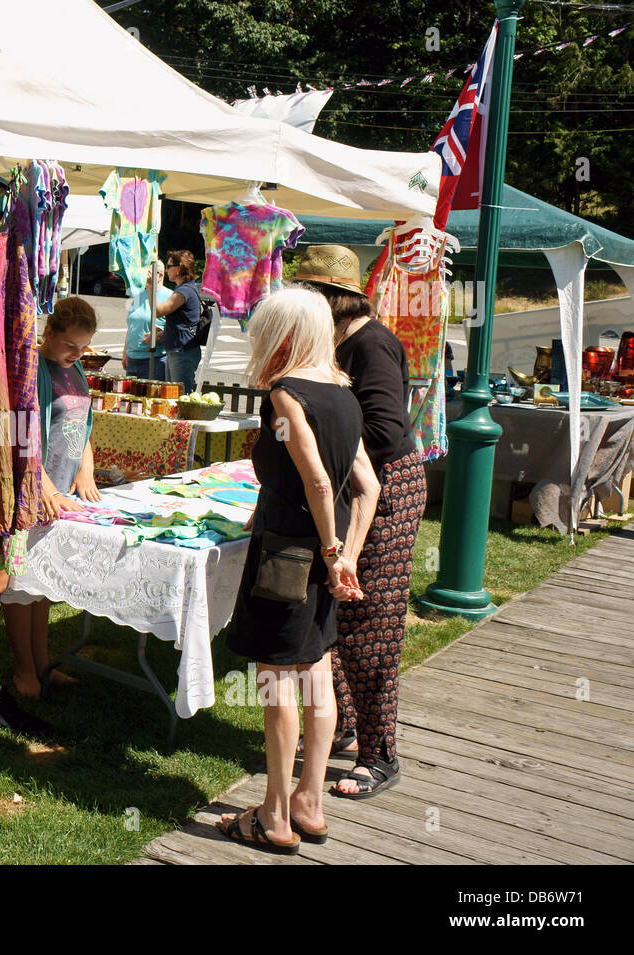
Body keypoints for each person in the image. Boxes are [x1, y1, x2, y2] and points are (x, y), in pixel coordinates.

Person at [216, 287, 380, 853]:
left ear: (283, 333)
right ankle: (309, 802)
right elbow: (367, 485)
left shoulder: (286, 396)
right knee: (316, 673)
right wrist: (347, 554)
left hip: (288, 556)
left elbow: (313, 478)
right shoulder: (343, 392)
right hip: (325, 560)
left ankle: (274, 814)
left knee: (278, 679)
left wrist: (336, 552)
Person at [296, 245, 427, 798]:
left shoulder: (371, 344)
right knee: (337, 614)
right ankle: (344, 726)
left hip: (387, 494)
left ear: (333, 298)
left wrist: (320, 443)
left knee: (371, 626)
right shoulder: (344, 341)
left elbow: (386, 431)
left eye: (309, 294)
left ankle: (380, 755)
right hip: (358, 489)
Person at [3, 297, 100, 698]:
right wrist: (41, 484)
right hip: (34, 491)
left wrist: (86, 468)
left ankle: (44, 664)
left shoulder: (73, 367)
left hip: (59, 492)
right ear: (49, 334)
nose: (77, 354)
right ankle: (24, 669)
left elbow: (84, 422)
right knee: (20, 586)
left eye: (83, 348)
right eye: (70, 345)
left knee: (42, 585)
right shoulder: (32, 370)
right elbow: (21, 433)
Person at [156, 250, 214, 390]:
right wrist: (164, 334)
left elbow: (158, 311)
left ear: (179, 268)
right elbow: (182, 321)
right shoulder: (184, 289)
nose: (167, 270)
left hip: (182, 352)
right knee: (173, 396)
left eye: (169, 266)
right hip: (179, 351)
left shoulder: (184, 291)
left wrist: (152, 286)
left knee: (179, 397)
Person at [122, 263, 169, 379]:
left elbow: (175, 328)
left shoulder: (169, 296)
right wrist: (125, 352)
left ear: (160, 276)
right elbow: (132, 325)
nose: (145, 276)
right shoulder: (139, 295)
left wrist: (160, 335)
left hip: (154, 359)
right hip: (132, 358)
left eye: (149, 273)